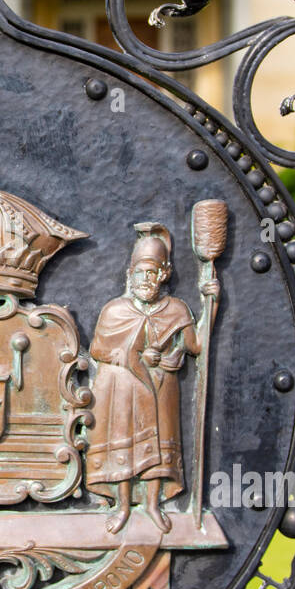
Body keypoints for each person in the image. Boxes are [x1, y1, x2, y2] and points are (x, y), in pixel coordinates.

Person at [85, 223, 218, 535]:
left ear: (164, 274)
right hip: (122, 390)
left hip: (161, 389)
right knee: (123, 449)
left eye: (152, 272)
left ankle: (153, 504)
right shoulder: (115, 310)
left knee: (158, 445)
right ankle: (121, 506)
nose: (146, 280)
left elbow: (196, 346)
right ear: (131, 274)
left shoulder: (176, 309)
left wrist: (211, 306)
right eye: (141, 273)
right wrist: (130, 354)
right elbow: (98, 349)